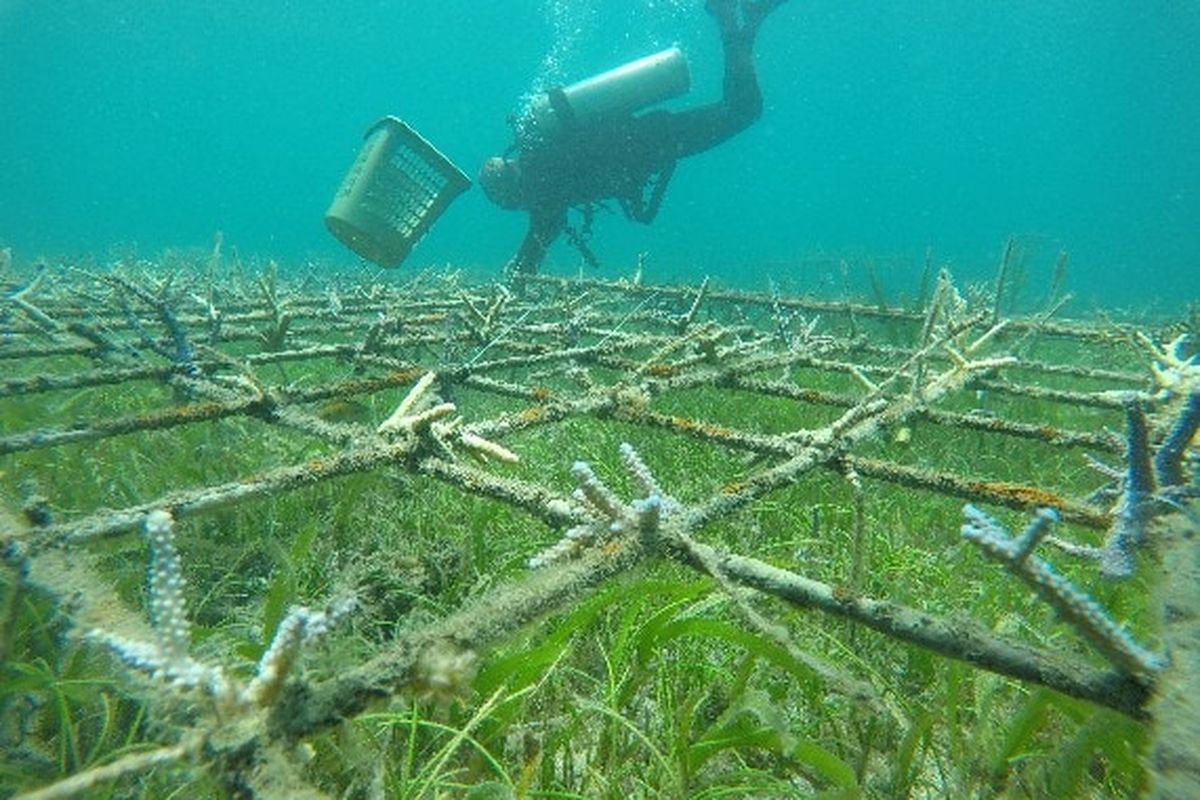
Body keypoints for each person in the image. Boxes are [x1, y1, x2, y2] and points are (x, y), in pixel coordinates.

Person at [479, 0, 788, 276]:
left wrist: (521, 271)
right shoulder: (538, 160)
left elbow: (546, 226)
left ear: (509, 187)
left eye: (507, 202)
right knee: (739, 110)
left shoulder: (540, 176)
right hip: (650, 138)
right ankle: (741, 22)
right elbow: (547, 222)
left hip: (653, 141)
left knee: (742, 110)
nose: (516, 206)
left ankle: (731, 19)